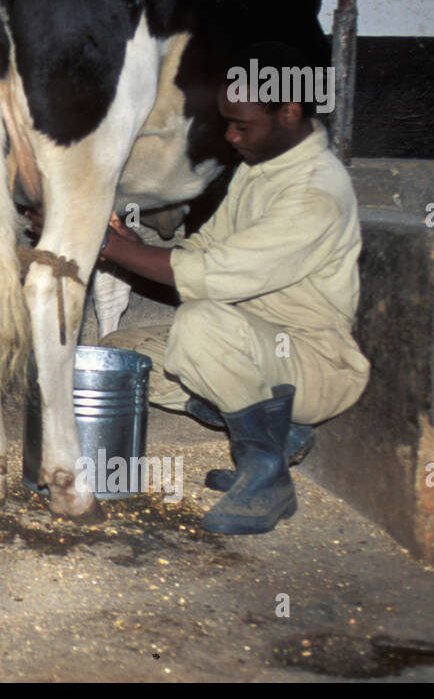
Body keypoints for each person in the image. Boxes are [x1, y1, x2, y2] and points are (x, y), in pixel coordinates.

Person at [99, 42, 370, 535]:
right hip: (255, 342)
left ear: (289, 111)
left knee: (200, 326)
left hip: (313, 362)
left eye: (241, 125)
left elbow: (214, 274)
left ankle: (265, 477)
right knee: (122, 356)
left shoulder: (315, 193)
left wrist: (108, 247)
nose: (229, 135)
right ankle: (278, 434)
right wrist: (130, 244)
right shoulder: (258, 168)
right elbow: (204, 248)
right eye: (227, 122)